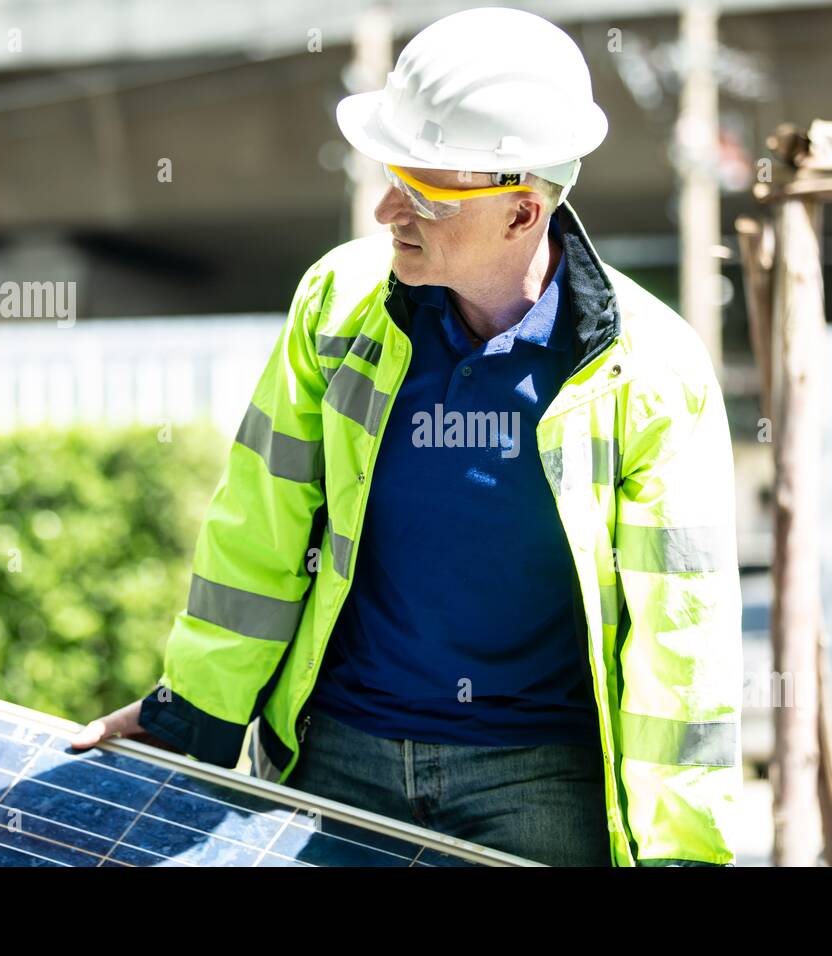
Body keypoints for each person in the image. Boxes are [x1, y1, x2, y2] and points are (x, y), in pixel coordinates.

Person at [72, 6, 742, 867]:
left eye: (423, 192)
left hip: (539, 781)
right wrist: (194, 713)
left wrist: (683, 856)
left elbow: (681, 641)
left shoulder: (650, 371)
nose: (388, 208)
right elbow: (259, 527)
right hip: (339, 758)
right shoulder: (337, 304)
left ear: (521, 212)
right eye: (391, 175)